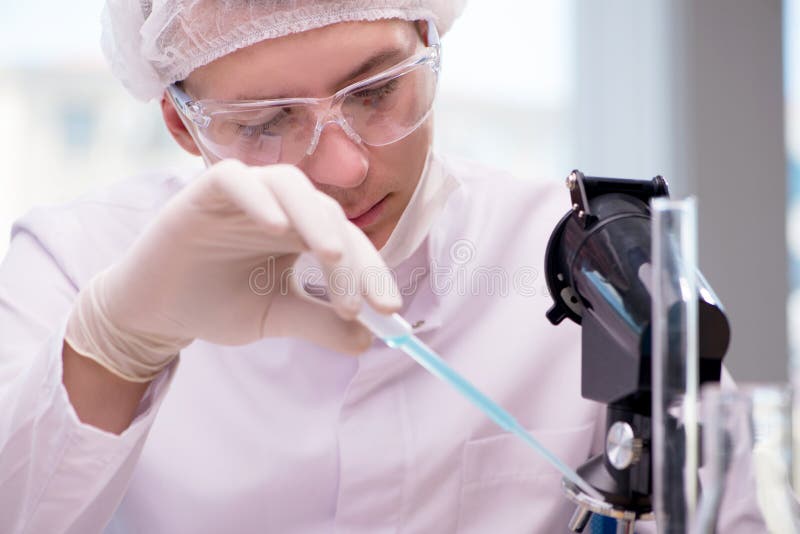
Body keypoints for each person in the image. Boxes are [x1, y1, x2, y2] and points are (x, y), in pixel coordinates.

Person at [0, 1, 767, 533]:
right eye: (267, 122)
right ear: (179, 120)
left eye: (377, 92)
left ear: (432, 41)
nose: (344, 167)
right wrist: (116, 346)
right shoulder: (76, 265)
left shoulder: (589, 258)